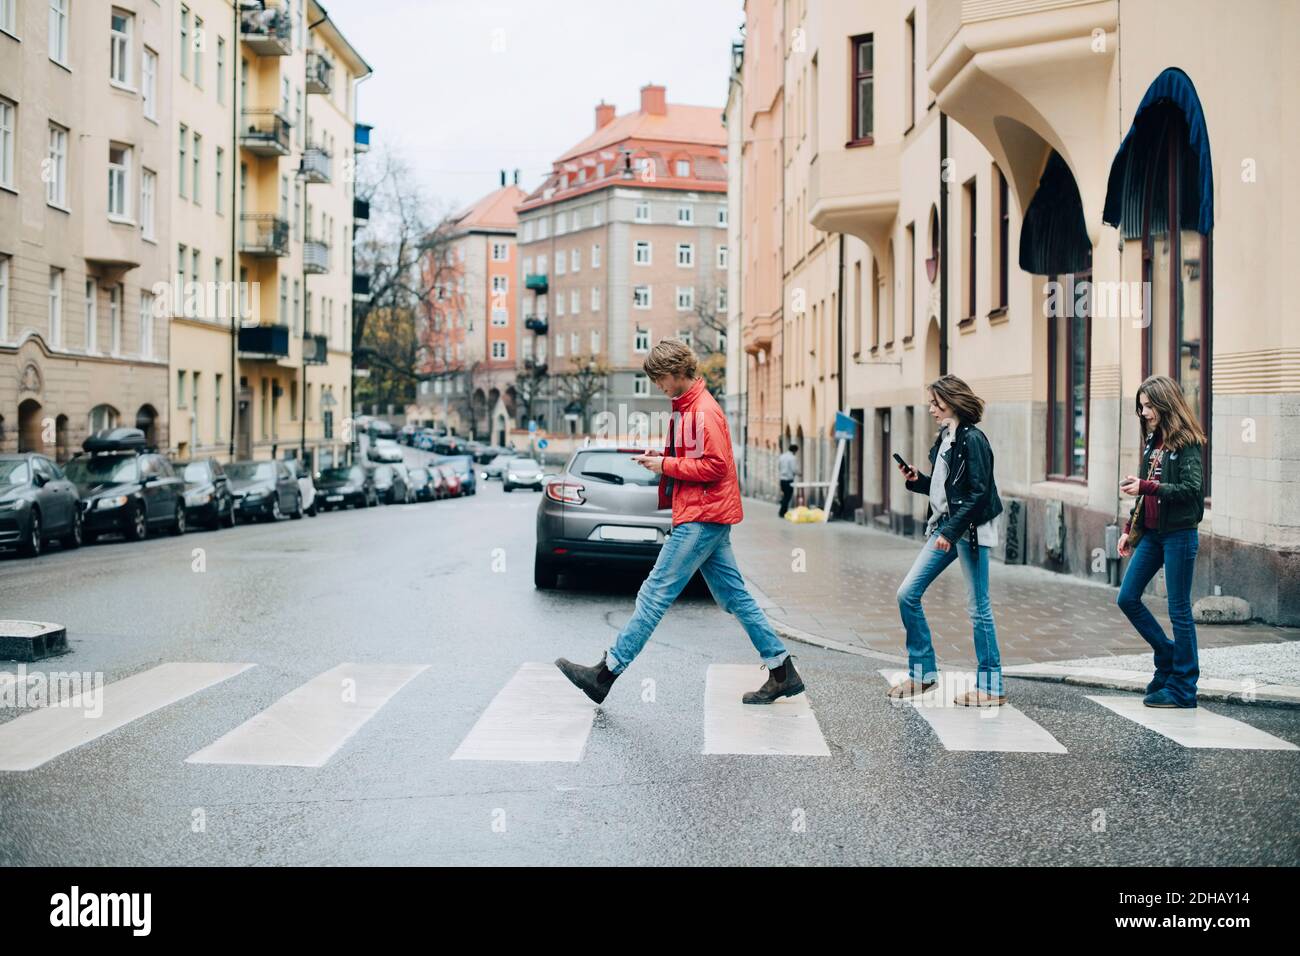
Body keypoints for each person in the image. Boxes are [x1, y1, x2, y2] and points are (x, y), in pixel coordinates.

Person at [556, 339, 803, 705]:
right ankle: (783, 672)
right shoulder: (689, 406)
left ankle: (604, 675)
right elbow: (701, 457)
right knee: (735, 598)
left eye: (659, 379)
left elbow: (718, 466)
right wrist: (665, 456)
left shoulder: (702, 410)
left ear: (675, 373)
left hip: (702, 517)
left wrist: (666, 465)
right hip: (707, 514)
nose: (658, 386)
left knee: (654, 594)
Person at [892, 375, 1006, 706]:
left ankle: (992, 686)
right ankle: (923, 673)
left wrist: (950, 532)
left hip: (969, 530)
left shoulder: (973, 439)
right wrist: (919, 482)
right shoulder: (947, 437)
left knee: (978, 607)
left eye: (934, 402)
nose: (930, 408)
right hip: (948, 527)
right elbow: (948, 491)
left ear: (950, 401)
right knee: (907, 594)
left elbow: (978, 492)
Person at [1117, 375, 1206, 708]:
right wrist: (1129, 529)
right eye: (1141, 407)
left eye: (1149, 406)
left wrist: (1147, 486)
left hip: (1180, 534)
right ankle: (1167, 655)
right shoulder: (1152, 441)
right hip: (1152, 534)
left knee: (1179, 610)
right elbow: (1142, 495)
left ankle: (1184, 688)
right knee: (1127, 598)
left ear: (1165, 403)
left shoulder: (1186, 441)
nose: (1144, 413)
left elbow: (1191, 491)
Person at [777, 444, 799, 517]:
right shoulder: (792, 458)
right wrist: (798, 473)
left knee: (785, 496)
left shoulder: (782, 456)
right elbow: (794, 469)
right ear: (794, 450)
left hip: (782, 479)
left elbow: (779, 466)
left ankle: (783, 511)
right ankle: (783, 512)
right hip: (789, 479)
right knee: (787, 496)